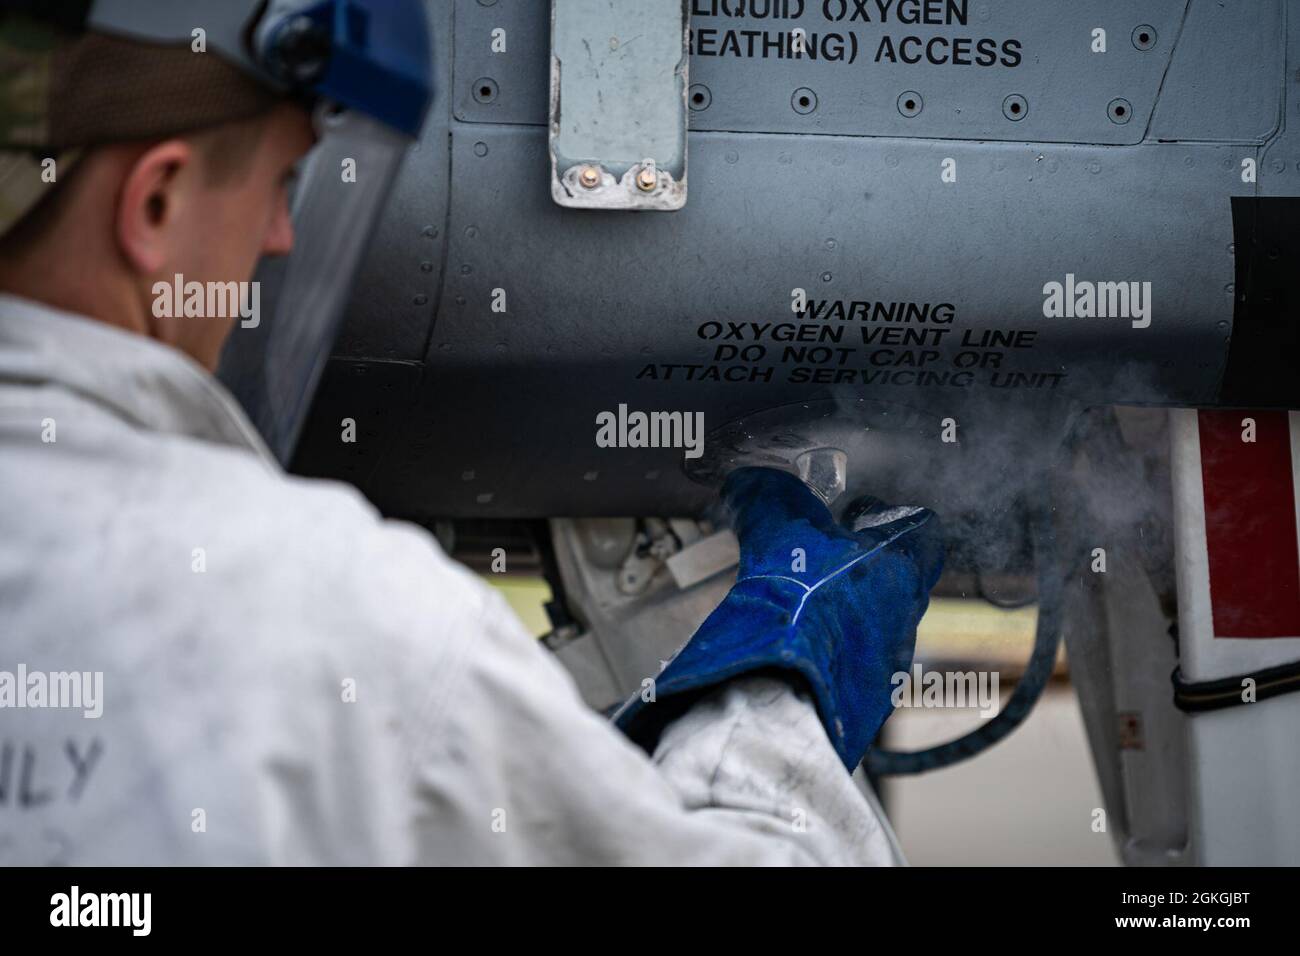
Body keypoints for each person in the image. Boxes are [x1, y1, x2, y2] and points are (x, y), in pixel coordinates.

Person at [0, 2, 942, 865]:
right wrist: (781, 672)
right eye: (283, 179)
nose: (283, 235)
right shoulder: (337, 618)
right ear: (155, 204)